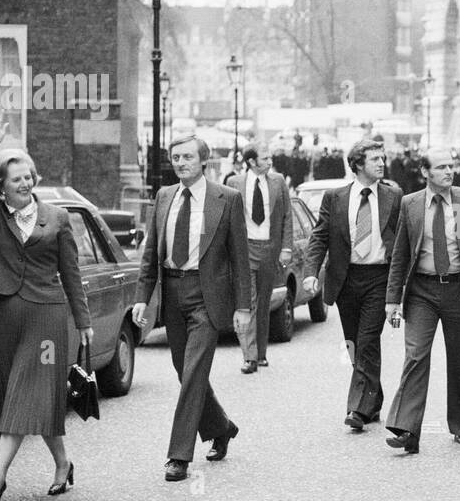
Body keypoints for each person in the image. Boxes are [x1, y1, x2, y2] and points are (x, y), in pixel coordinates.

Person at [0, 112, 92, 501]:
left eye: (28, 176)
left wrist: (83, 320)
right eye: (15, 178)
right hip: (9, 313)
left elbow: (70, 272)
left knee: (26, 392)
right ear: (1, 185)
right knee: (27, 397)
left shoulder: (57, 217)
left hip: (47, 317)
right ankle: (63, 463)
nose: (23, 183)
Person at [132, 135, 252, 482]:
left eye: (186, 157)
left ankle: (179, 455)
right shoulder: (164, 196)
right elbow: (150, 252)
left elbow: (240, 260)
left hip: (206, 295)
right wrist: (143, 296)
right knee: (186, 373)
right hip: (171, 292)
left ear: (203, 160)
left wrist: (243, 307)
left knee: (195, 372)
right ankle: (221, 427)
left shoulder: (226, 199)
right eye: (175, 158)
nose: (180, 163)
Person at [383, 149, 460, 453]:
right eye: (441, 167)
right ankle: (407, 429)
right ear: (425, 173)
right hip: (421, 291)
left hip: (459, 289)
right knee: (416, 356)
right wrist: (392, 298)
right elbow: (400, 255)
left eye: (451, 166)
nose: (449, 171)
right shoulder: (410, 204)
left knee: (459, 358)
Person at [302, 139, 403, 432]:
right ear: (358, 164)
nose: (382, 163)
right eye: (374, 159)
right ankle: (373, 399)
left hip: (379, 279)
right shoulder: (335, 197)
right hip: (346, 279)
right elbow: (320, 237)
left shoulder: (393, 195)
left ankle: (357, 409)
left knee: (368, 339)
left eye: (382, 158)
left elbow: (403, 238)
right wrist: (311, 272)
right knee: (354, 345)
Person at [226, 145, 293, 374]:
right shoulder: (234, 183)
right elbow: (228, 218)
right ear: (252, 162)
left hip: (269, 250)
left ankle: (261, 353)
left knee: (263, 303)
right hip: (245, 250)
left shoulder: (278, 182)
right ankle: (249, 357)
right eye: (265, 158)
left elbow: (286, 216)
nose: (270, 161)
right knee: (248, 302)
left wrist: (286, 247)